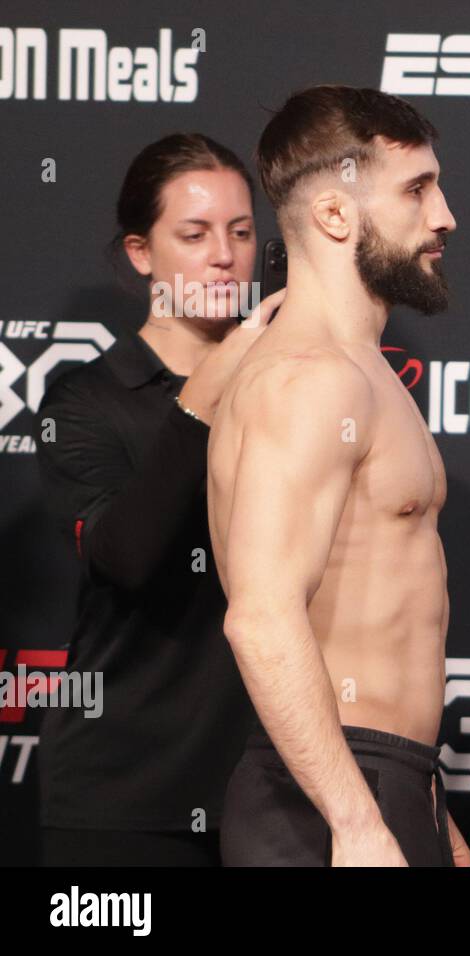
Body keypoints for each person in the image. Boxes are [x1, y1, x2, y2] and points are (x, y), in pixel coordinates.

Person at [209, 85, 469, 867]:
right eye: (416, 190)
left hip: (386, 786)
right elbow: (261, 617)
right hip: (322, 805)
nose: (445, 215)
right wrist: (355, 823)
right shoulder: (308, 378)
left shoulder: (365, 373)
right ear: (333, 215)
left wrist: (428, 811)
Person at [32, 133, 279, 865]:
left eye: (240, 232)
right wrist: (205, 395)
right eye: (194, 234)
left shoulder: (289, 390)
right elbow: (125, 557)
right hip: (123, 801)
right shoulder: (85, 401)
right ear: (142, 254)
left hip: (269, 795)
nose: (223, 255)